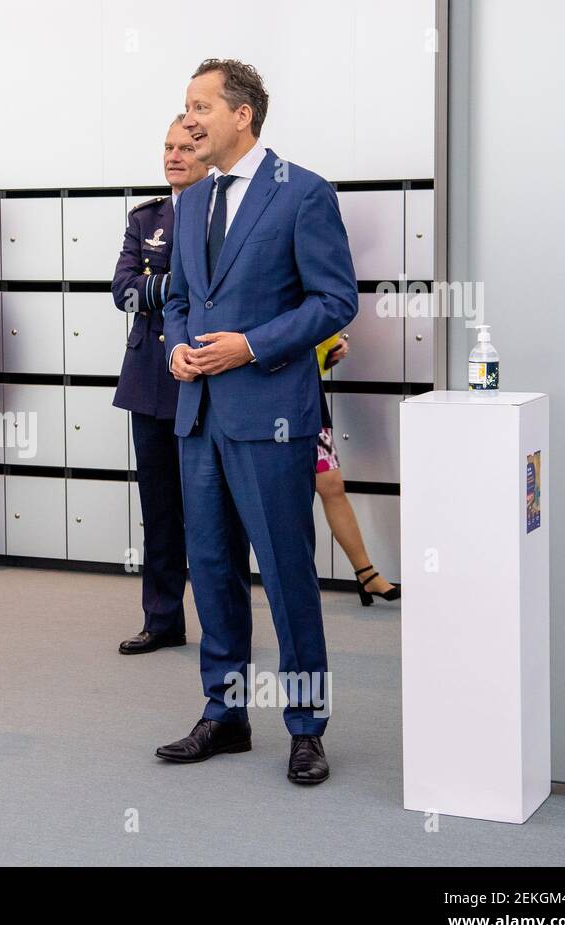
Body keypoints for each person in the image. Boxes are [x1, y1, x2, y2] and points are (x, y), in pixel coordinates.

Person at [157, 60, 357, 784]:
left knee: (286, 574)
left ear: (242, 115)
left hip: (271, 415)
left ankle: (306, 728)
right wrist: (177, 343)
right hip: (200, 417)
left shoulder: (302, 193)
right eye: (185, 107)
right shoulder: (188, 202)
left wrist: (252, 344)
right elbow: (178, 298)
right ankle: (226, 714)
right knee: (210, 571)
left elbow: (334, 301)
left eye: (201, 106)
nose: (188, 121)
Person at [110, 116, 208, 654]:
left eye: (186, 147)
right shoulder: (146, 217)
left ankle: (222, 621)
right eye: (168, 147)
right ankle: (163, 618)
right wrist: (180, 285)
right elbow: (123, 290)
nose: (174, 156)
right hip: (151, 380)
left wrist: (164, 287)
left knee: (215, 512)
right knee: (160, 509)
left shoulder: (225, 214)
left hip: (209, 377)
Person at [315, 340, 401, 605]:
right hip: (271, 409)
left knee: (332, 486)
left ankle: (366, 574)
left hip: (306, 403)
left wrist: (327, 353)